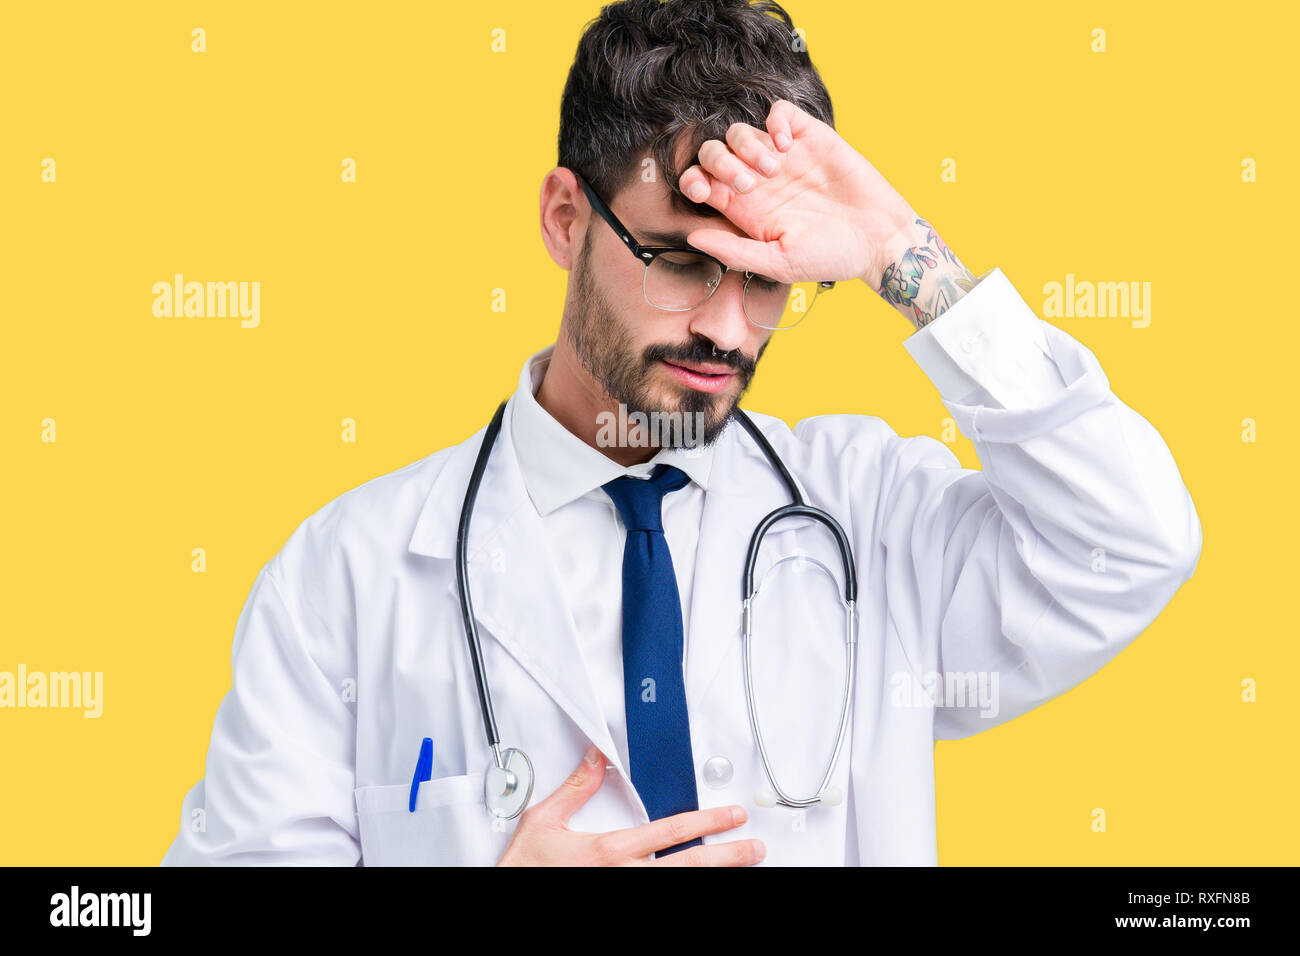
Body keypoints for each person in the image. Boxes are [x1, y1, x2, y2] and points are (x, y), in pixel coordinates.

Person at [162, 0, 1201, 867]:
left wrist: (902, 255)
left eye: (767, 279)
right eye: (677, 257)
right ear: (566, 216)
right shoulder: (344, 576)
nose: (726, 327)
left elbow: (1130, 540)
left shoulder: (868, 515)